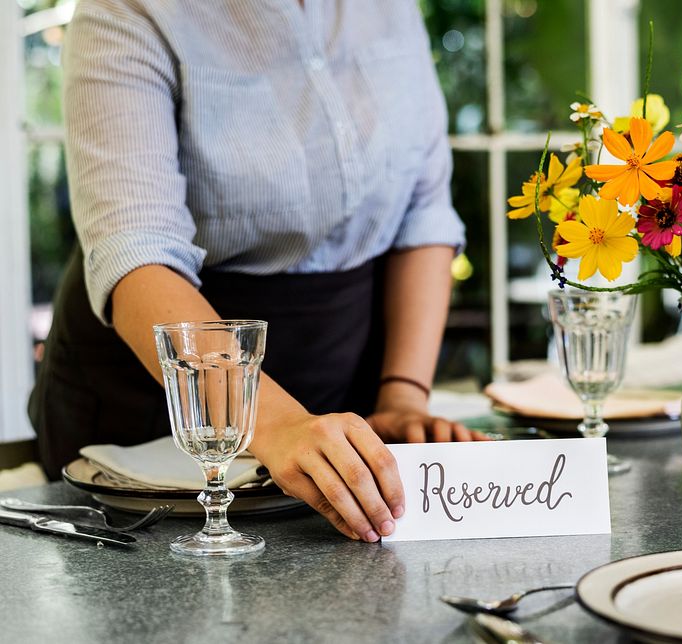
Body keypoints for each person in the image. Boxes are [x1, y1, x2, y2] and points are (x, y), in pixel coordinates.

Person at [28, 0, 486, 543]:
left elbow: (424, 213)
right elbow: (137, 252)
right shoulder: (126, 11)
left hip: (343, 379)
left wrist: (402, 397)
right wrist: (276, 424)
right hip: (159, 400)